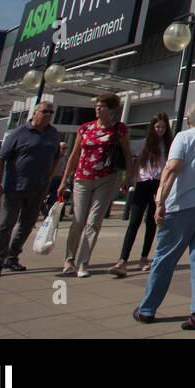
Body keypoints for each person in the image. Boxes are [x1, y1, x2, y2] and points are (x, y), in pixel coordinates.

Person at [133, 101, 195, 330]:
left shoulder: (183, 137)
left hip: (184, 204)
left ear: (188, 120)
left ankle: (147, 309)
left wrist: (160, 201)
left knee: (166, 256)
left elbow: (172, 168)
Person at [56, 93, 133, 278]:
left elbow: (127, 154)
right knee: (78, 221)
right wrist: (64, 180)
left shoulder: (119, 129)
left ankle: (83, 262)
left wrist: (128, 178)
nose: (98, 109)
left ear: (112, 109)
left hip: (106, 179)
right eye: (97, 106)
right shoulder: (85, 129)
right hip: (82, 178)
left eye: (102, 106)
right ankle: (69, 260)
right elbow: (74, 155)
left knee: (94, 221)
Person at [0, 102, 63, 278]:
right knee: (6, 224)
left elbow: (56, 157)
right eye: (44, 111)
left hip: (39, 187)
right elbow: (0, 159)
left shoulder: (53, 133)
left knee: (28, 224)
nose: (48, 114)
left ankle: (12, 256)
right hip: (15, 186)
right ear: (35, 113)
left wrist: (49, 177)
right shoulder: (19, 133)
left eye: (51, 112)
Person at [110, 114, 173, 276]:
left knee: (151, 222)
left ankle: (144, 257)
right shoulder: (145, 143)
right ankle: (123, 259)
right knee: (134, 221)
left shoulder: (169, 144)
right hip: (144, 182)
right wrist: (129, 179)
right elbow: (138, 163)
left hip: (159, 183)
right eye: (157, 127)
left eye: (163, 127)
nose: (160, 130)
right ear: (153, 127)